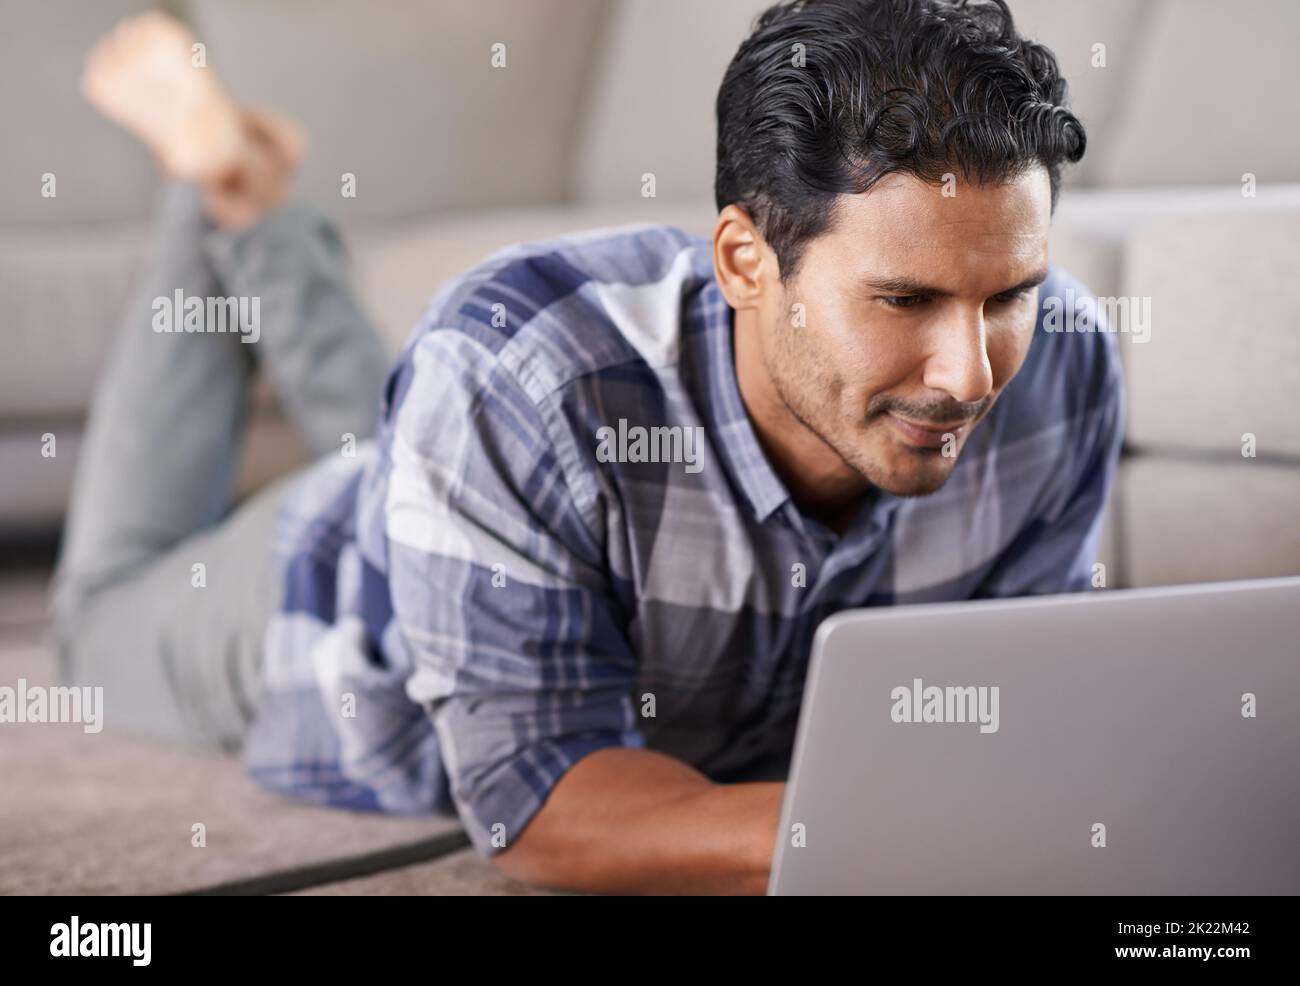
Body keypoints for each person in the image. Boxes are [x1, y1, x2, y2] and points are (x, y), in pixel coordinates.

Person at [53, 0, 1123, 895]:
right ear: (746, 261)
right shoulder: (517, 365)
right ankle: (221, 191)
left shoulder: (1063, 365)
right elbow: (540, 805)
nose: (971, 376)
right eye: (903, 298)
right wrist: (889, 831)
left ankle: (259, 214)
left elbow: (1002, 711)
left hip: (491, 466)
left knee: (447, 405)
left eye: (1008, 296)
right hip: (325, 591)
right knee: (98, 615)